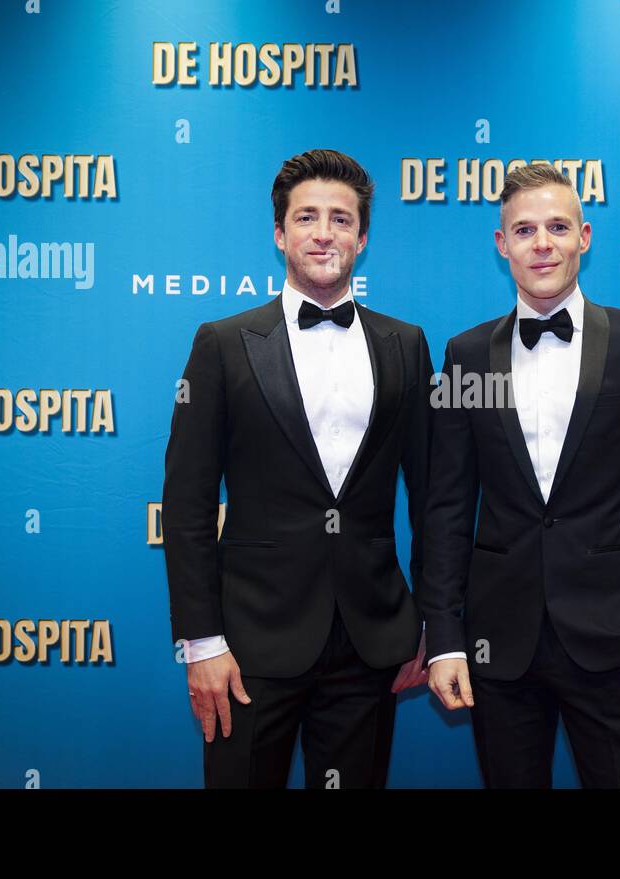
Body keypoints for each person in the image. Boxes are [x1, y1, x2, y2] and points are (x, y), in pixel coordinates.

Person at [421, 162, 620, 788]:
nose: (542, 243)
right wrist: (444, 637)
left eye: (558, 226)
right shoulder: (465, 354)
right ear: (503, 246)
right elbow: (446, 507)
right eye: (524, 230)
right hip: (498, 644)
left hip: (613, 634)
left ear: (585, 236)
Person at [162, 148, 431, 788]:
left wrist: (431, 624)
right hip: (247, 648)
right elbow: (187, 504)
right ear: (279, 232)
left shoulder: (407, 345)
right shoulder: (222, 344)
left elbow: (435, 497)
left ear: (362, 238)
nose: (324, 232)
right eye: (306, 216)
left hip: (369, 643)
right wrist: (202, 644)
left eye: (341, 219)